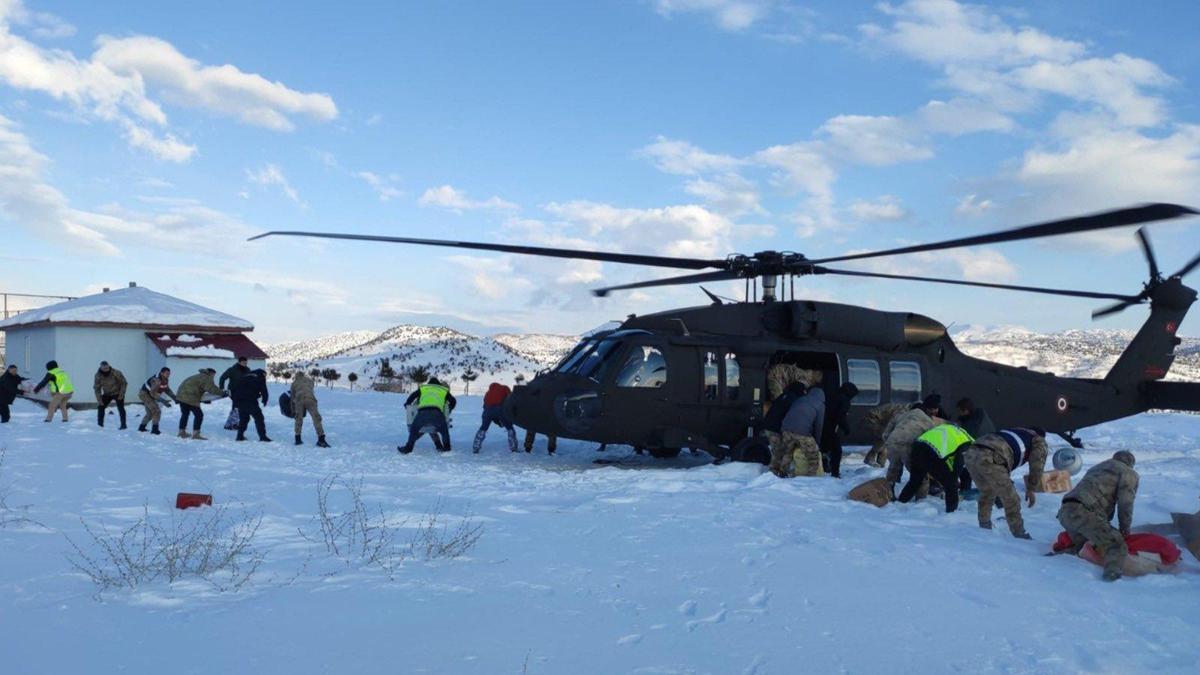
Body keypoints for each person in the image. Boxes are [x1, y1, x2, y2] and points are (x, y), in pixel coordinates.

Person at [1056, 451, 1139, 581]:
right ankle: (1112, 578)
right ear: (1130, 463)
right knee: (1115, 544)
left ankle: (1053, 560)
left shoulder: (1097, 467)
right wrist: (1124, 529)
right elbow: (1125, 503)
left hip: (1065, 511)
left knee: (1084, 546)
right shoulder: (1128, 472)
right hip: (1084, 512)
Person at [962, 427, 1048, 539]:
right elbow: (1037, 465)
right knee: (1011, 499)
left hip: (971, 454)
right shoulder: (1038, 440)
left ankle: (984, 527)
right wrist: (1031, 488)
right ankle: (1019, 535)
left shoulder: (1014, 431)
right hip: (991, 456)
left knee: (987, 492)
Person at [897, 423, 974, 513]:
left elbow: (962, 465)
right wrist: (957, 482)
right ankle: (952, 512)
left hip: (918, 445)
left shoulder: (956, 431)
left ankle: (901, 502)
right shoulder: (968, 444)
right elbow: (959, 465)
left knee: (915, 480)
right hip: (932, 452)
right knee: (951, 483)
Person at [882, 395, 942, 494]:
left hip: (892, 442)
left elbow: (886, 433)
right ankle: (921, 499)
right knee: (919, 475)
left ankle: (887, 492)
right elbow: (931, 444)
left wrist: (889, 441)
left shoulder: (903, 415)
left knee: (894, 469)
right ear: (930, 409)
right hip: (908, 445)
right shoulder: (929, 423)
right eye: (935, 409)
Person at [777, 383, 826, 477]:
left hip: (786, 429)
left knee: (787, 453)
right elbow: (819, 425)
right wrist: (817, 441)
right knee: (813, 455)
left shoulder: (800, 399)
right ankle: (810, 477)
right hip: (802, 432)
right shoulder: (820, 404)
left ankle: (782, 474)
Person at [399, 377, 456, 454]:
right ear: (438, 384)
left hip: (422, 412)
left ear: (429, 384)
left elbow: (413, 395)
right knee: (444, 430)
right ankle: (447, 448)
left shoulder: (424, 388)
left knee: (414, 430)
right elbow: (453, 401)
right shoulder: (443, 390)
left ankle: (408, 448)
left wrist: (407, 404)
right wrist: (449, 409)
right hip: (437, 413)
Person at [764, 382, 806, 473]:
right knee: (778, 451)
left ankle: (778, 471)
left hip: (769, 426)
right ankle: (774, 472)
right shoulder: (793, 400)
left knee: (779, 450)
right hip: (775, 428)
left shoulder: (784, 396)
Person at [821, 382, 859, 478]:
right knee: (837, 450)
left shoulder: (834, 396)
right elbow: (840, 417)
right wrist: (846, 429)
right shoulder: (844, 400)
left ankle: (824, 466)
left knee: (824, 448)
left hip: (821, 424)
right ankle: (835, 472)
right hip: (829, 427)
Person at [175, 368, 225, 440]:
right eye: (213, 375)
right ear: (211, 373)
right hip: (190, 397)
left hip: (181, 395)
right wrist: (222, 393)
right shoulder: (207, 378)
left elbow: (198, 388)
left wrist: (204, 399)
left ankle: (181, 432)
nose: (213, 377)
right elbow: (211, 389)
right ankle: (196, 434)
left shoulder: (199, 376)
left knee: (185, 414)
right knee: (199, 415)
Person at [474, 382, 517, 453]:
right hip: (500, 409)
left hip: (487, 410)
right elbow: (511, 398)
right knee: (510, 428)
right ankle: (513, 448)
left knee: (483, 428)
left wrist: (492, 417)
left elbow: (485, 403)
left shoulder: (488, 392)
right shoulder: (505, 388)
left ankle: (476, 447)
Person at [290, 371, 329, 447]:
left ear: (296, 376)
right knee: (316, 418)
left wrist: (293, 410)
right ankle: (321, 439)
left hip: (299, 400)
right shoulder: (310, 381)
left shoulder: (294, 383)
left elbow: (292, 397)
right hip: (310, 399)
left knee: (298, 419)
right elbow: (311, 388)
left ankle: (297, 438)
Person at [231, 368, 271, 442]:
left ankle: (239, 436)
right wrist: (265, 400)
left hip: (240, 401)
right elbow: (264, 390)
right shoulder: (260, 377)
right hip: (250, 401)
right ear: (262, 373)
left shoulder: (244, 376)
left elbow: (235, 388)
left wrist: (235, 402)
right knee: (259, 418)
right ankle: (263, 437)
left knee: (244, 418)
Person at [137, 367, 177, 434]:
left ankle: (141, 428)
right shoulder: (156, 380)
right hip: (145, 394)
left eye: (169, 374)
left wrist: (175, 398)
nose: (168, 375)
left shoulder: (165, 379)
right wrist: (163, 401)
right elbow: (153, 393)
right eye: (167, 373)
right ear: (162, 373)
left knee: (150, 413)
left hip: (151, 395)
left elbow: (167, 390)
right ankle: (155, 430)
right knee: (156, 411)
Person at [93, 361, 128, 429]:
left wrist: (121, 394)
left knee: (121, 408)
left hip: (117, 393)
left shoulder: (116, 372)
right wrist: (99, 400)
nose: (106, 369)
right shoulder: (98, 375)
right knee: (101, 407)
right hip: (107, 394)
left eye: (107, 368)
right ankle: (100, 426)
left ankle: (123, 425)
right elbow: (97, 388)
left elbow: (124, 383)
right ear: (101, 368)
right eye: (104, 368)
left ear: (109, 366)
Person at [220, 356, 252, 429]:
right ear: (239, 362)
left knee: (240, 408)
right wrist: (221, 388)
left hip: (244, 392)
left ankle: (231, 424)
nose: (245, 364)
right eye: (244, 363)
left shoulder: (248, 370)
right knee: (236, 407)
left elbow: (250, 380)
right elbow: (222, 378)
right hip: (234, 391)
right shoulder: (232, 369)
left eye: (246, 363)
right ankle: (232, 424)